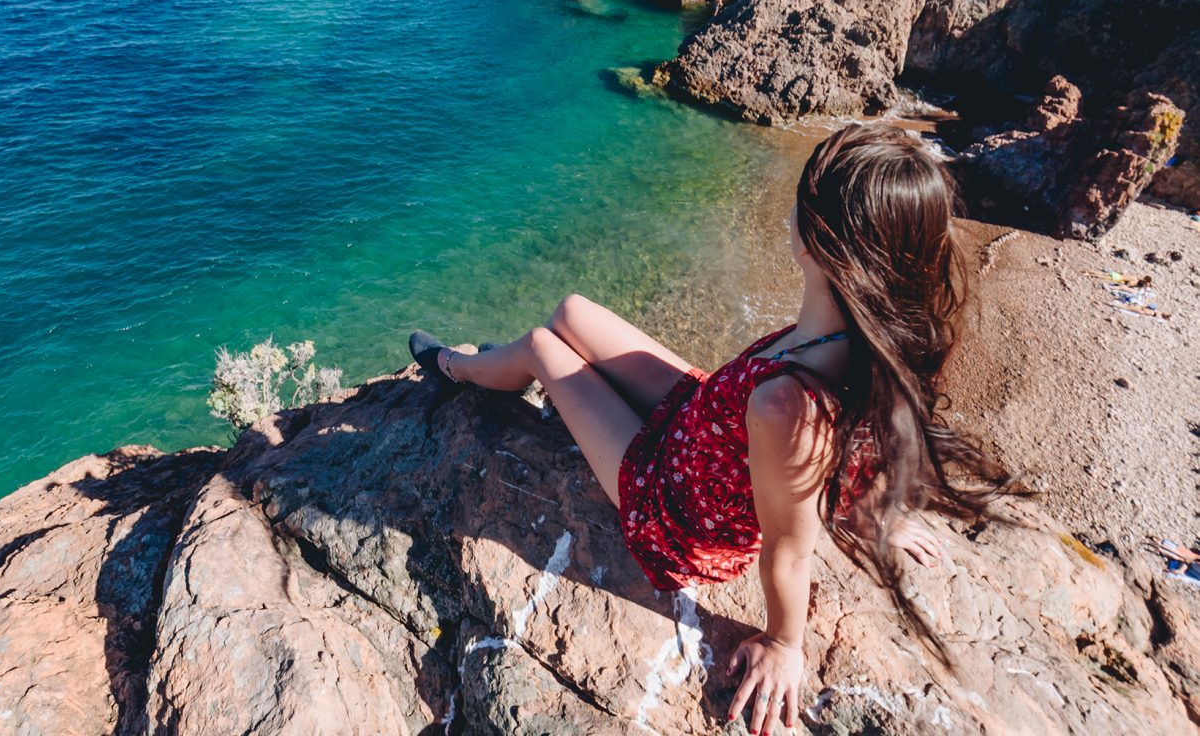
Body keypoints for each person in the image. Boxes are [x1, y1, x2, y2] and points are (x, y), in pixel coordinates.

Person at [408, 121, 1031, 736]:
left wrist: (785, 644)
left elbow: (789, 551)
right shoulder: (868, 334)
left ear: (815, 241)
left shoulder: (788, 406)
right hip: (705, 421)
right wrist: (877, 510)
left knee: (546, 345)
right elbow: (853, 448)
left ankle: (458, 367)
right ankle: (504, 364)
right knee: (572, 311)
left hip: (673, 507)